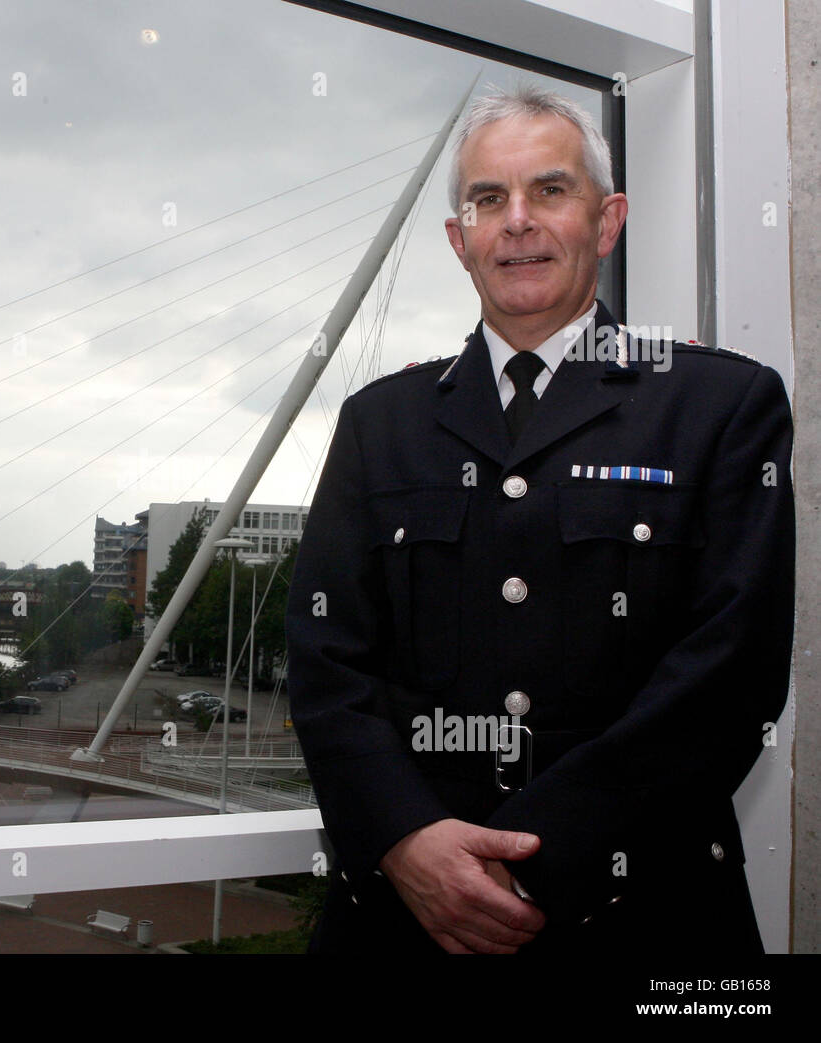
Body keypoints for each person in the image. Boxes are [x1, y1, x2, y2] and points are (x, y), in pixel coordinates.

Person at [284, 84, 794, 956]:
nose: (516, 221)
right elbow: (327, 663)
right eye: (488, 200)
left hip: (648, 923)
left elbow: (730, 678)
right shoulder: (381, 421)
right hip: (405, 925)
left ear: (608, 221)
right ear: (460, 240)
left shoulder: (721, 404)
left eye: (550, 190)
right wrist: (408, 840)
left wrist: (529, 864)